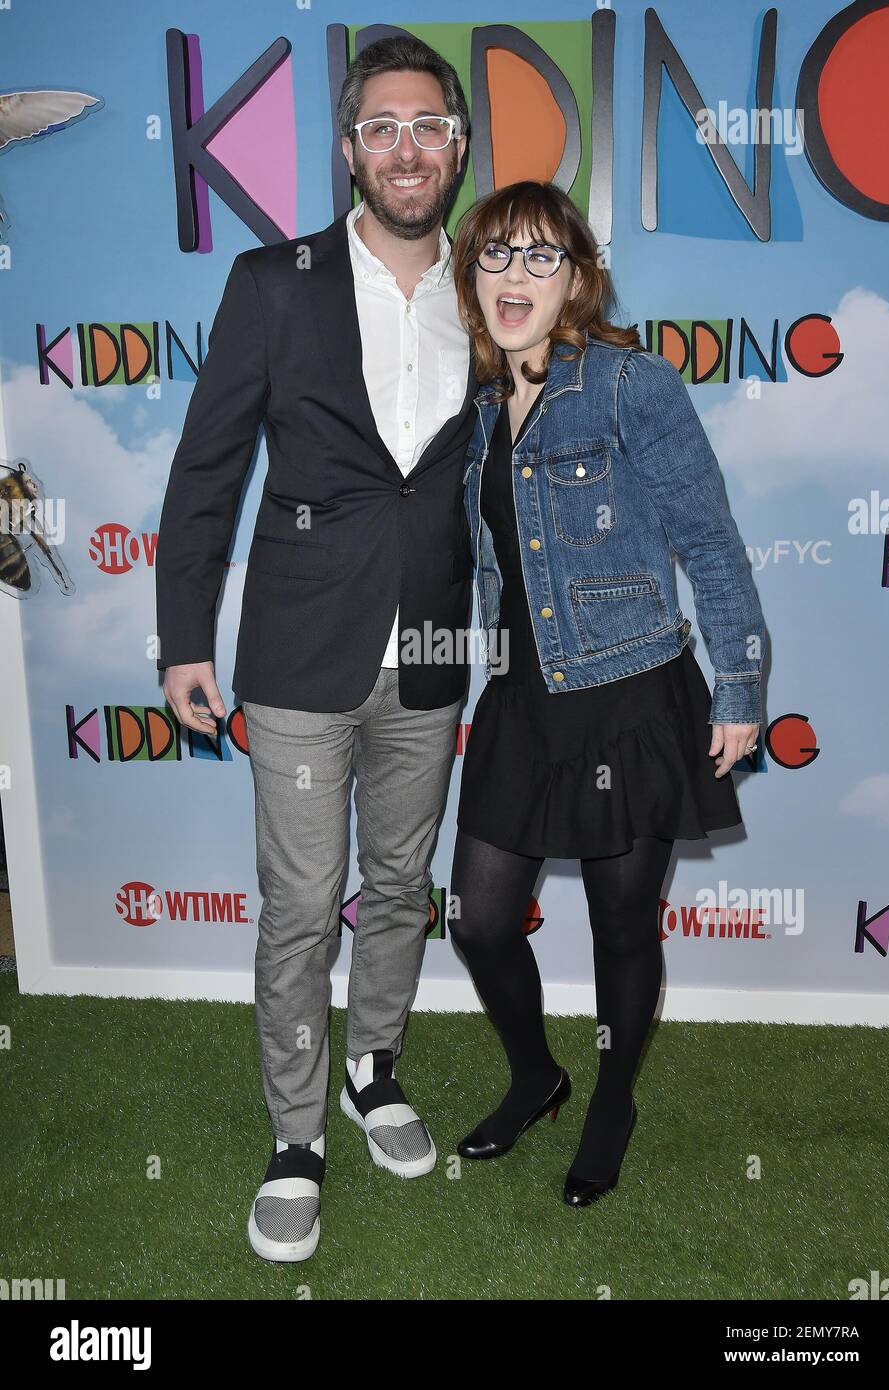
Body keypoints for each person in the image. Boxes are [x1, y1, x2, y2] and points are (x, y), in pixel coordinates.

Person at [155, 36, 477, 1260]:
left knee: (400, 885)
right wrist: (185, 633)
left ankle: (374, 1070)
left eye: (429, 127)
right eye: (383, 128)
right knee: (300, 909)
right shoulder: (272, 282)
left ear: (457, 145)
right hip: (297, 649)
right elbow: (209, 466)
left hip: (437, 640)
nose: (408, 148)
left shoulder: (490, 286)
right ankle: (298, 1136)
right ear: (349, 150)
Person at [447, 180, 766, 1207]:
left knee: (625, 927)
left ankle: (613, 1099)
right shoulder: (474, 415)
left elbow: (709, 540)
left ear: (579, 280)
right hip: (524, 699)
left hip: (632, 689)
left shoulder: (633, 385)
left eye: (543, 257)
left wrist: (739, 683)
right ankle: (538, 1073)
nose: (515, 276)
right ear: (472, 277)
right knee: (481, 919)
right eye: (496, 254)